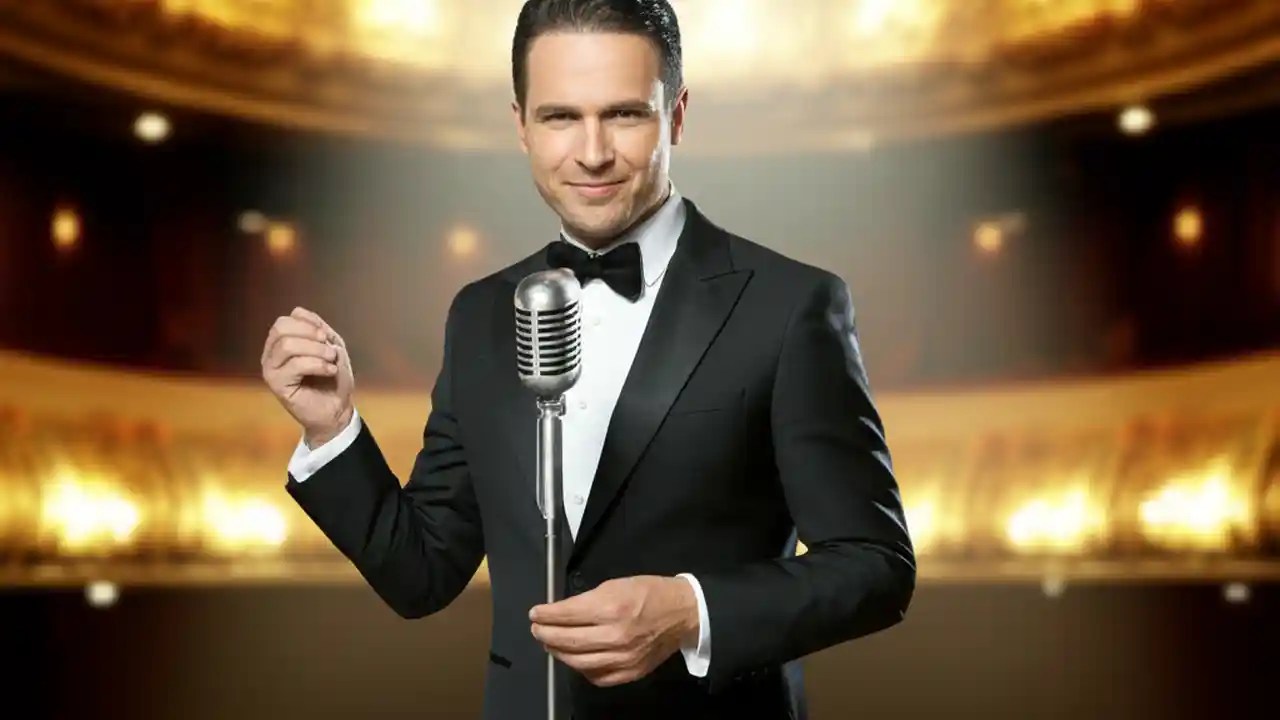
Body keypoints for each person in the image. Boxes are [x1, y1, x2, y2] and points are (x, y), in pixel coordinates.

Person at [260, 1, 915, 718]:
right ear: (521, 125)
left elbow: (876, 565)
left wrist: (692, 610)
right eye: (560, 117)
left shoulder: (792, 305)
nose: (593, 152)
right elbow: (423, 574)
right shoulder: (479, 313)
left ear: (678, 115)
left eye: (625, 114)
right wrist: (332, 432)